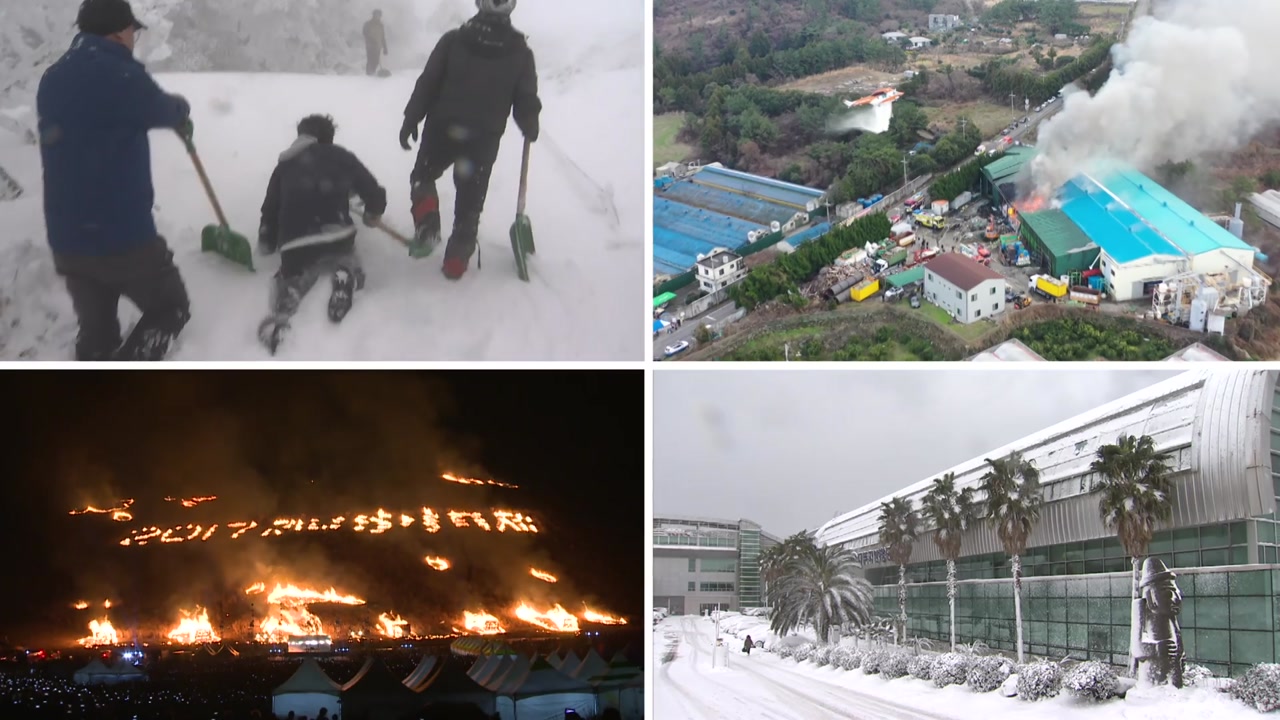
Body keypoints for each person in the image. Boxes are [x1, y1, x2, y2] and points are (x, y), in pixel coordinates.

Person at [37, 0, 193, 361]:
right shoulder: (123, 75)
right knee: (171, 306)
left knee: (97, 330)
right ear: (119, 30)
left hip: (68, 241)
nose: (134, 38)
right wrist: (182, 108)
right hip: (122, 238)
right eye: (133, 31)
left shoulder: (52, 77)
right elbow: (164, 110)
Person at [399, 0, 541, 280]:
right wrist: (529, 123)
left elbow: (428, 82)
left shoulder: (454, 40)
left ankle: (427, 220)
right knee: (470, 202)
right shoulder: (520, 53)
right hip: (483, 138)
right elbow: (525, 99)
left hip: (442, 128)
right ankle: (456, 260)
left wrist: (411, 118)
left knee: (423, 176)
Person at [256, 114, 387, 354]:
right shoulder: (341, 157)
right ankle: (346, 275)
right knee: (346, 256)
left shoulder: (284, 166)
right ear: (329, 137)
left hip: (295, 244)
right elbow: (374, 192)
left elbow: (270, 209)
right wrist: (372, 213)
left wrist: (266, 241)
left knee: (290, 276)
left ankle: (285, 311)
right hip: (337, 234)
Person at [363, 10, 388, 76]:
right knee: (370, 60)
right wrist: (371, 40)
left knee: (376, 61)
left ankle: (372, 73)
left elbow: (382, 37)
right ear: (373, 15)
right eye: (376, 15)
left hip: (378, 46)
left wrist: (385, 48)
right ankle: (368, 74)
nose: (378, 16)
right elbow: (365, 33)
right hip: (370, 46)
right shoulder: (368, 24)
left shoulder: (381, 25)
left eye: (379, 15)